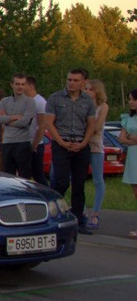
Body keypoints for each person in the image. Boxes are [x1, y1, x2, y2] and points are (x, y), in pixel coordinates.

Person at [42, 68, 97, 232]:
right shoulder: (55, 98)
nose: (71, 83)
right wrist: (61, 142)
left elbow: (91, 125)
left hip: (81, 144)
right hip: (61, 144)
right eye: (69, 80)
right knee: (61, 181)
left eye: (75, 80)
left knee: (79, 184)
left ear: (83, 82)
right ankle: (52, 215)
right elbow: (49, 123)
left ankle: (78, 220)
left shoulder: (87, 101)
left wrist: (83, 143)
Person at [0, 73, 36, 178]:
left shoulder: (30, 102)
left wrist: (6, 120)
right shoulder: (4, 101)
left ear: (26, 85)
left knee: (24, 176)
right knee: (8, 177)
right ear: (11, 84)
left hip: (22, 143)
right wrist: (14, 117)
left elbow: (25, 122)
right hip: (7, 143)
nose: (20, 87)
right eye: (17, 84)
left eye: (22, 84)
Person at [82, 79, 110, 232]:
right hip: (82, 146)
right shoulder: (83, 105)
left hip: (95, 147)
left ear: (97, 91)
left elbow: (97, 127)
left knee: (98, 180)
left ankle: (96, 212)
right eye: (86, 89)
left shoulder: (102, 107)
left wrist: (85, 130)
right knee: (79, 179)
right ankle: (83, 210)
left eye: (90, 89)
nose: (87, 91)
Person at [117, 89, 137, 239]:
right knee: (136, 193)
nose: (131, 102)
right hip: (133, 156)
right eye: (130, 99)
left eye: (133, 99)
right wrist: (132, 137)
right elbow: (121, 138)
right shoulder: (128, 118)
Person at [26, 76, 49, 184]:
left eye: (23, 85)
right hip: (23, 142)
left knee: (37, 175)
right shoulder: (25, 101)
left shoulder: (40, 102)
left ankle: (47, 196)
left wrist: (34, 145)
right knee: (24, 175)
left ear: (30, 87)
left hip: (35, 145)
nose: (20, 87)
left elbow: (42, 125)